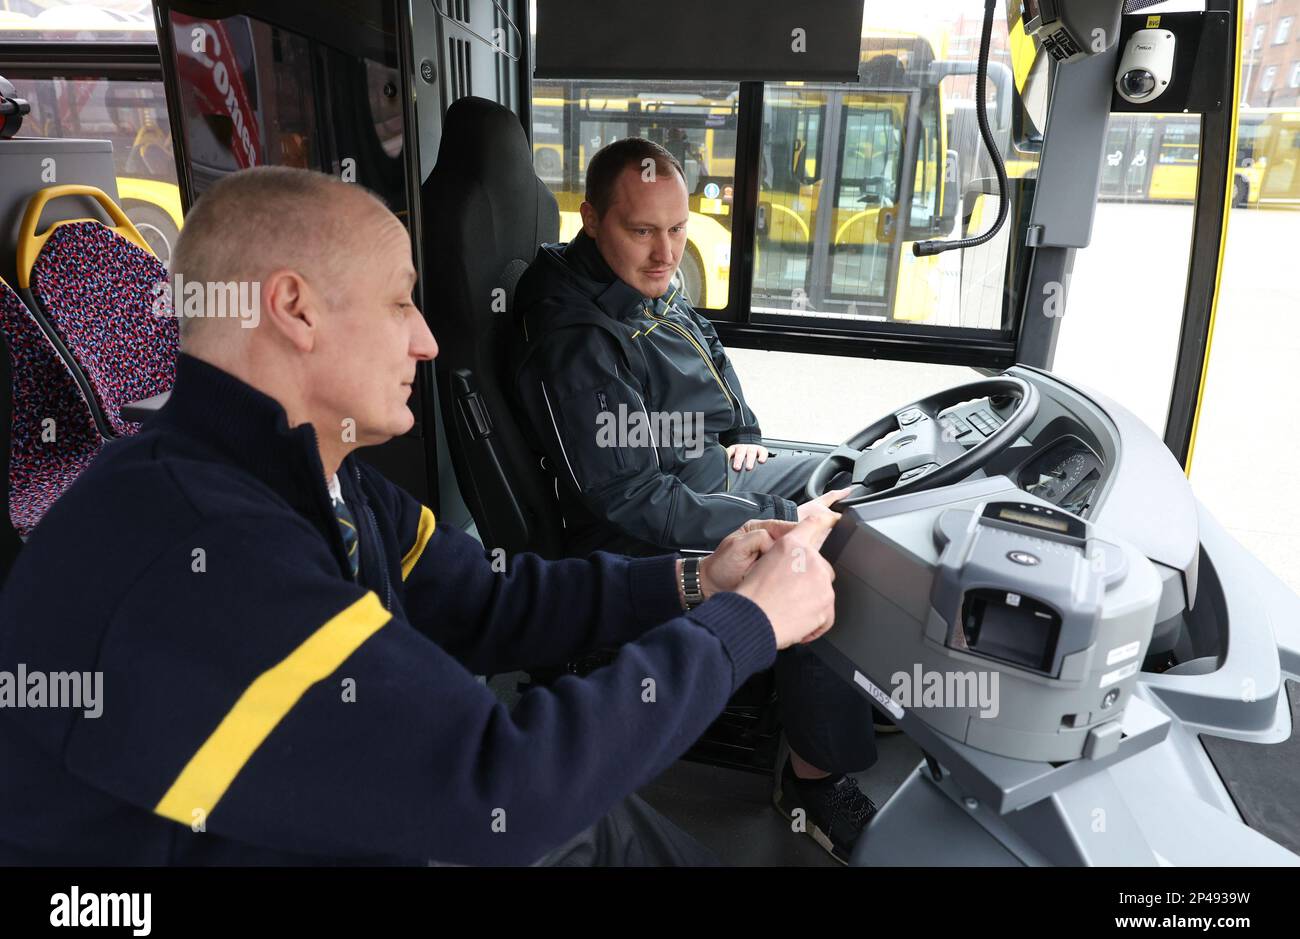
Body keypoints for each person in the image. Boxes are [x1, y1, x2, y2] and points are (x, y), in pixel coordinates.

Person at [0, 166, 841, 866]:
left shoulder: (318, 477)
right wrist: (749, 624)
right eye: (403, 303)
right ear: (295, 309)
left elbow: (485, 601)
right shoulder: (196, 548)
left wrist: (701, 579)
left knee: (595, 829)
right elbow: (498, 787)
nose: (429, 342)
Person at [513, 138, 881, 862]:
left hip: (705, 472)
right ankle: (811, 781)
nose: (665, 253)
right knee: (819, 549)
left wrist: (743, 431)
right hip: (637, 522)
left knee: (856, 483)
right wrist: (768, 526)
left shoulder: (640, 281)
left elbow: (704, 340)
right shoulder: (575, 334)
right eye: (642, 230)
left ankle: (849, 687)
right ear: (591, 218)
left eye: (678, 229)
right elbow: (628, 493)